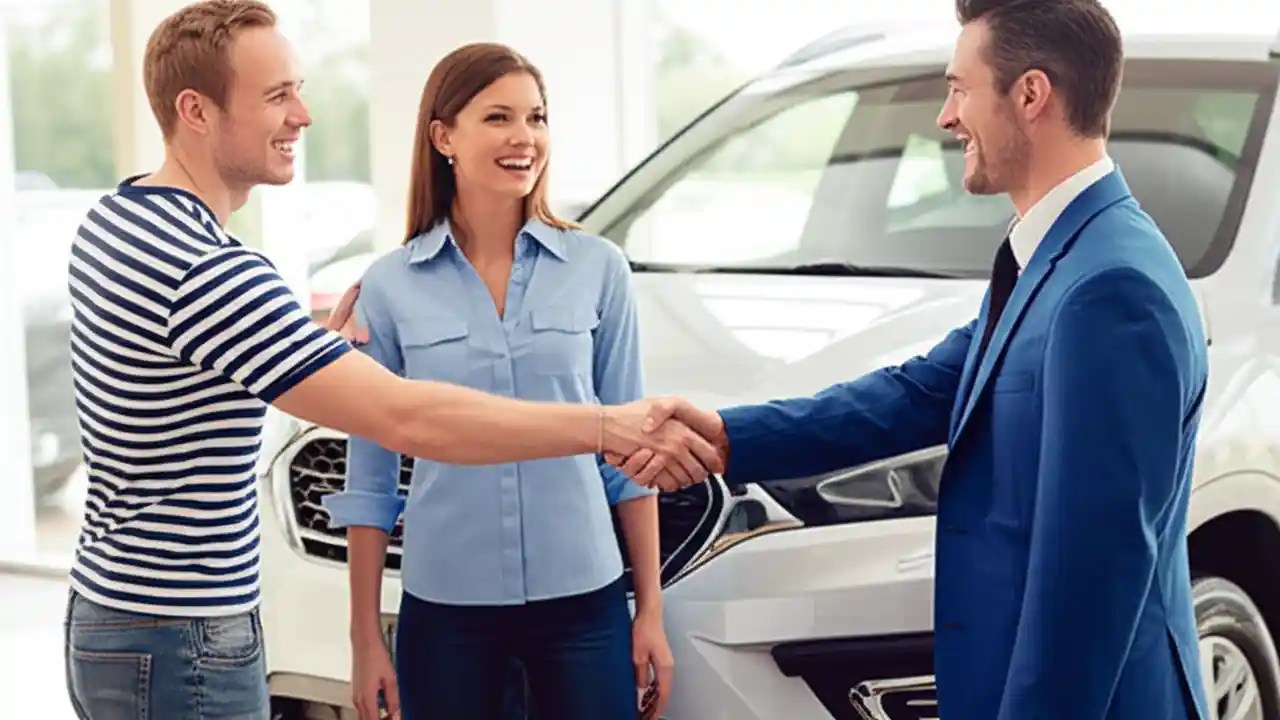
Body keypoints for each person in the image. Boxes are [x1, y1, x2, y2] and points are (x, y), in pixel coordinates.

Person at [60, 3, 716, 719]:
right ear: (197, 110)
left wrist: (301, 342)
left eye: (537, 116)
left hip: (122, 611)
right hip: (185, 634)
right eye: (277, 95)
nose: (303, 115)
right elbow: (406, 424)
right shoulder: (223, 272)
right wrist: (604, 428)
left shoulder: (116, 220)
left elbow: (191, 363)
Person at [618, 0, 1213, 718]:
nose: (947, 117)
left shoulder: (1111, 290)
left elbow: (1091, 579)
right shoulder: (1058, 257)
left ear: (1030, 95)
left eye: (961, 88)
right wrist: (725, 433)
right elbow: (920, 392)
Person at [323, 42, 673, 720]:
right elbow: (368, 481)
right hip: (447, 611)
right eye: (499, 118)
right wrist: (365, 639)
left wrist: (650, 608)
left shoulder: (599, 269)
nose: (524, 138)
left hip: (585, 601)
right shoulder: (388, 288)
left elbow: (634, 456)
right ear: (443, 136)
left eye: (536, 118)